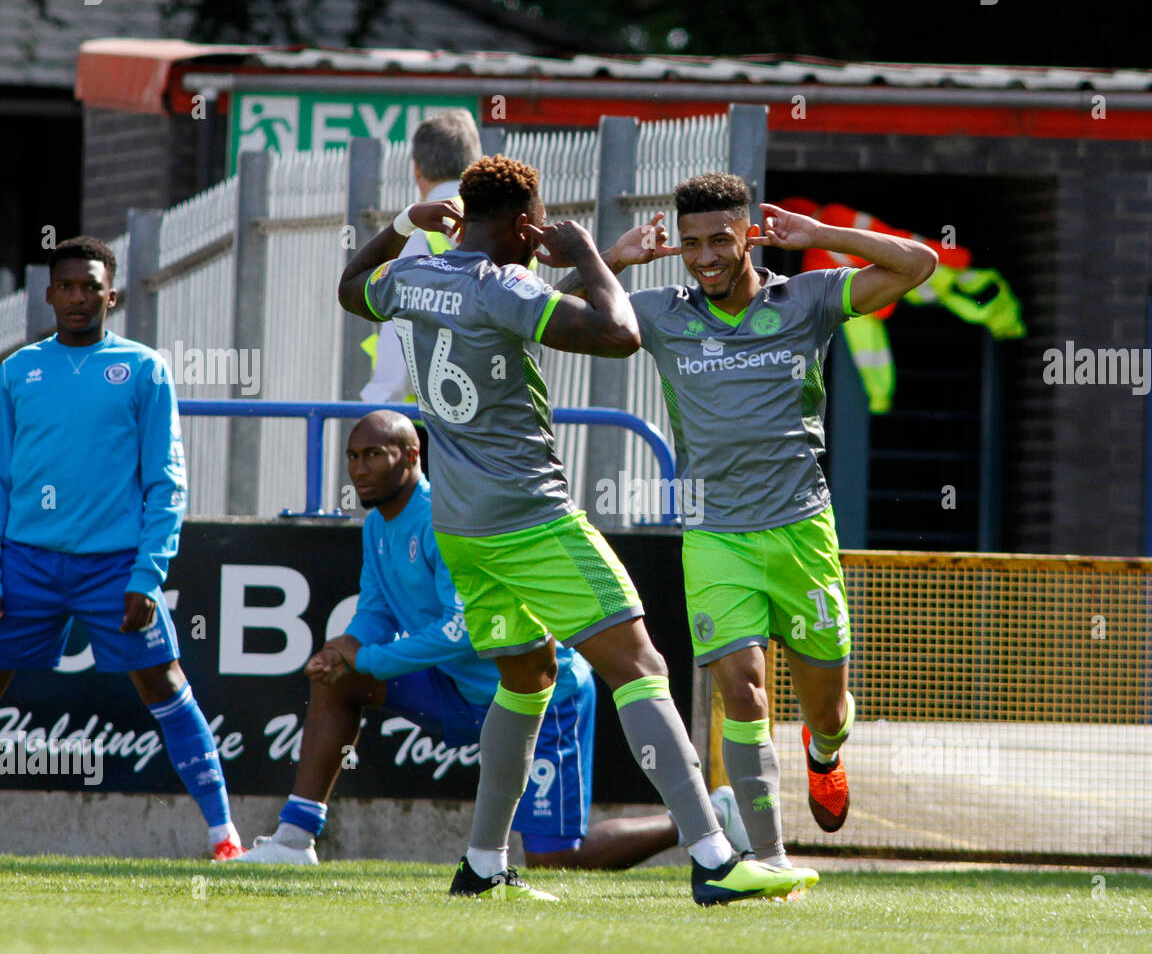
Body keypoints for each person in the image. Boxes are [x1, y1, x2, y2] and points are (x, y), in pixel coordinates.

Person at [337, 155, 814, 904]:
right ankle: (715, 857)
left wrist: (401, 226)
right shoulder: (504, 283)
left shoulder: (414, 275)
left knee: (526, 679)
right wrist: (591, 253)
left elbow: (352, 289)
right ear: (527, 224)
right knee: (640, 665)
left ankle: (484, 864)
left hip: (460, 525)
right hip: (532, 517)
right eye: (538, 224)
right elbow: (619, 333)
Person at [564, 173, 937, 866]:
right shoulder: (662, 313)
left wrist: (821, 237)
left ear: (749, 236)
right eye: (691, 243)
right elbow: (541, 314)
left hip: (802, 531)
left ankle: (824, 753)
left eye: (719, 240)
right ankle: (768, 857)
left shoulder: (807, 299)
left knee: (825, 711)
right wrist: (610, 260)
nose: (704, 256)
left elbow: (919, 264)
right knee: (744, 691)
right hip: (713, 536)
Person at [233, 411, 749, 868]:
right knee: (340, 681)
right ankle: (294, 839)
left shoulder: (443, 516)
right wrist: (343, 648)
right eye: (351, 457)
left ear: (412, 456)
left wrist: (368, 656)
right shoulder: (377, 526)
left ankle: (710, 816)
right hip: (460, 688)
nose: (359, 468)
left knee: (553, 859)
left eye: (373, 454)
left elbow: (463, 633)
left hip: (541, 692)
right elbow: (376, 607)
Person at [0, 236, 245, 860]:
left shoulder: (142, 369)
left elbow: (167, 482)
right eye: (67, 286)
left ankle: (223, 835)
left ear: (112, 294)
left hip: (113, 569)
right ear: (49, 293)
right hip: (24, 561)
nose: (79, 297)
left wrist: (147, 574)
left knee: (162, 681)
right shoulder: (16, 371)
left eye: (91, 287)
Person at [360, 109, 481, 406]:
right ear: (476, 165)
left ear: (416, 169)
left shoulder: (419, 234)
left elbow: (401, 331)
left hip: (430, 416)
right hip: (497, 412)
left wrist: (379, 406)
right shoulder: (505, 226)